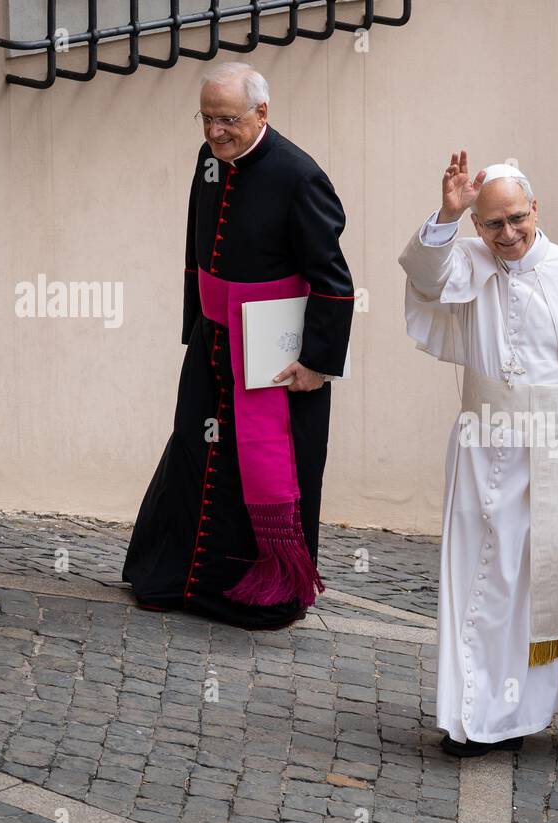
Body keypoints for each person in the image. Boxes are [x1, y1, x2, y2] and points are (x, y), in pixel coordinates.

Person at [400, 153, 558, 757]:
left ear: (536, 209)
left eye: (516, 219)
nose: (507, 235)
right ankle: (484, 716)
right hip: (486, 450)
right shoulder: (469, 263)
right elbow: (425, 275)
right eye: (491, 225)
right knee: (488, 583)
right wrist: (448, 213)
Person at [123, 63, 354, 629]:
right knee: (196, 458)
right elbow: (195, 249)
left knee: (262, 471)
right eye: (206, 118)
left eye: (227, 119)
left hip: (277, 360)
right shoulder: (209, 160)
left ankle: (263, 594)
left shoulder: (300, 177)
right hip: (213, 344)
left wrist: (318, 365)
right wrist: (194, 327)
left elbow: (333, 280)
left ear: (262, 113)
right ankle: (179, 579)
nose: (215, 132)